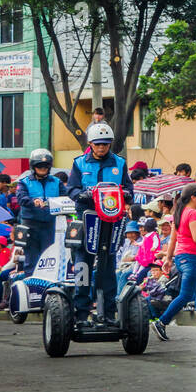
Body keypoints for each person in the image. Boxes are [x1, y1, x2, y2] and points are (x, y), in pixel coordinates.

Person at [66, 121, 134, 324]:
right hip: (87, 220)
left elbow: (130, 189)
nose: (102, 147)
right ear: (91, 144)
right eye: (98, 144)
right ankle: (80, 314)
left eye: (105, 144)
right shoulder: (79, 163)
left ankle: (108, 312)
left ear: (110, 144)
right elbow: (71, 189)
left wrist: (127, 194)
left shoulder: (119, 163)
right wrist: (82, 195)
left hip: (111, 221)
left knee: (108, 265)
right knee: (83, 265)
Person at [153, 184, 196, 341]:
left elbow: (173, 239)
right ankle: (162, 322)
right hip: (191, 258)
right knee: (186, 295)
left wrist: (169, 258)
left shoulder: (181, 212)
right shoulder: (192, 214)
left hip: (184, 257)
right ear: (193, 196)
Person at [15, 149, 67, 278]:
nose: (42, 168)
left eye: (45, 166)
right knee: (31, 259)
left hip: (50, 225)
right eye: (39, 166)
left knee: (49, 257)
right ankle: (30, 286)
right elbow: (21, 198)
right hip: (30, 226)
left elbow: (66, 197)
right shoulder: (24, 182)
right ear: (33, 167)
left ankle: (48, 286)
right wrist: (33, 201)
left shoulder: (56, 182)